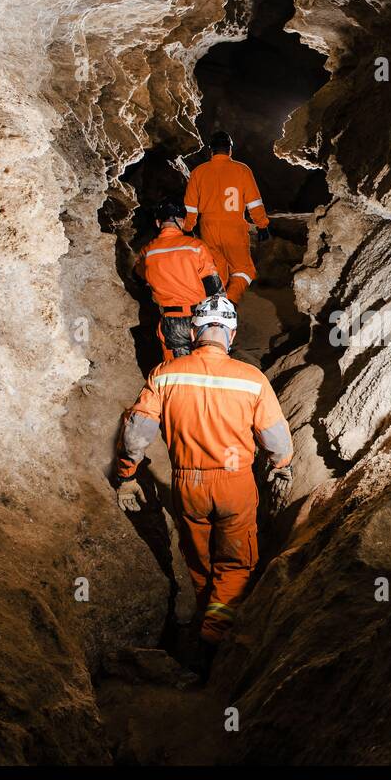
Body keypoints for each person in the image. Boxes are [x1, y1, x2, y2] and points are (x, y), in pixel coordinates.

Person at [113, 294, 293, 678]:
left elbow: (136, 435)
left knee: (199, 558)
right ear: (231, 333)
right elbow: (276, 439)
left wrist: (127, 475)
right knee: (237, 562)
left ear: (195, 331)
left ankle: (203, 612)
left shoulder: (166, 373)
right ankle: (212, 640)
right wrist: (281, 465)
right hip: (234, 484)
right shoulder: (251, 379)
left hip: (187, 484)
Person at [183, 131, 270, 303]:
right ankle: (230, 301)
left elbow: (190, 206)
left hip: (208, 228)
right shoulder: (242, 170)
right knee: (245, 270)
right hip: (234, 228)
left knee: (217, 271)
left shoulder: (198, 172)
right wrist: (262, 224)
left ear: (211, 151)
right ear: (230, 150)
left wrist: (188, 228)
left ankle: (214, 305)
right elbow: (254, 202)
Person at [134, 199, 222, 361]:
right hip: (200, 317)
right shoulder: (196, 247)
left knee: (176, 369)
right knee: (206, 363)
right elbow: (213, 286)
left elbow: (138, 277)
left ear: (158, 222)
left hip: (171, 320)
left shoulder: (147, 252)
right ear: (181, 222)